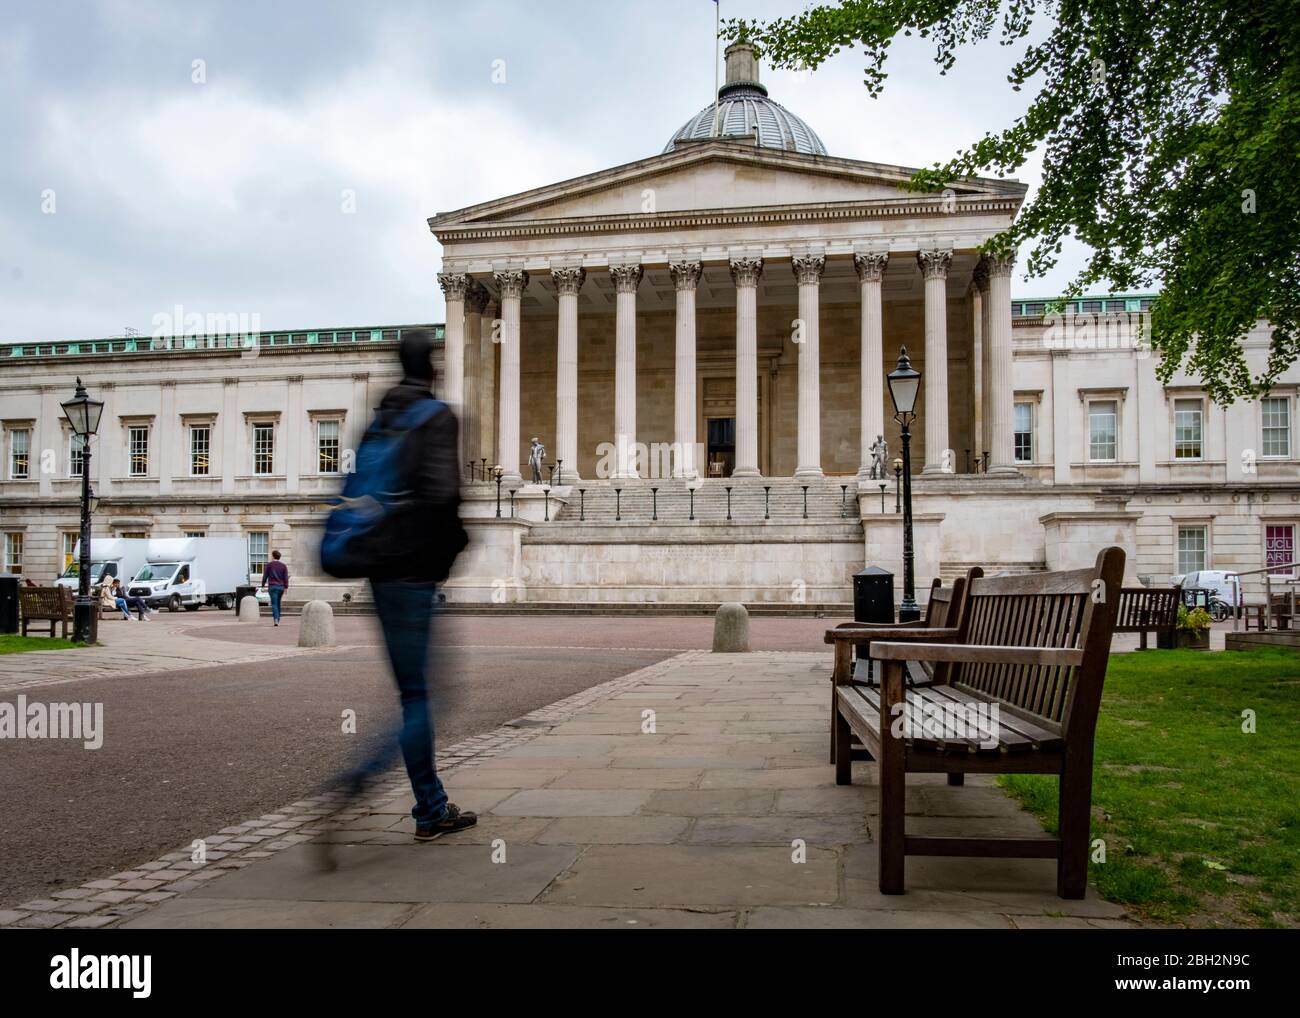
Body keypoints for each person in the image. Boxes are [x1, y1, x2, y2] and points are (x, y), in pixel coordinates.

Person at [320, 328, 474, 859]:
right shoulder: (436, 417)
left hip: (376, 573)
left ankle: (431, 809)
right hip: (413, 576)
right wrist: (450, 556)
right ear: (430, 367)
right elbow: (443, 501)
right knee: (422, 698)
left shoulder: (380, 422)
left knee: (412, 693)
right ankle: (359, 781)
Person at [260, 550, 289, 626]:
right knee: (278, 603)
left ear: (273, 556)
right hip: (281, 587)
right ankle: (278, 618)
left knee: (274, 604)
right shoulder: (283, 566)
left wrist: (262, 585)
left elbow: (265, 576)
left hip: (272, 587)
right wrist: (286, 587)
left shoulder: (269, 565)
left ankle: (276, 619)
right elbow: (286, 578)